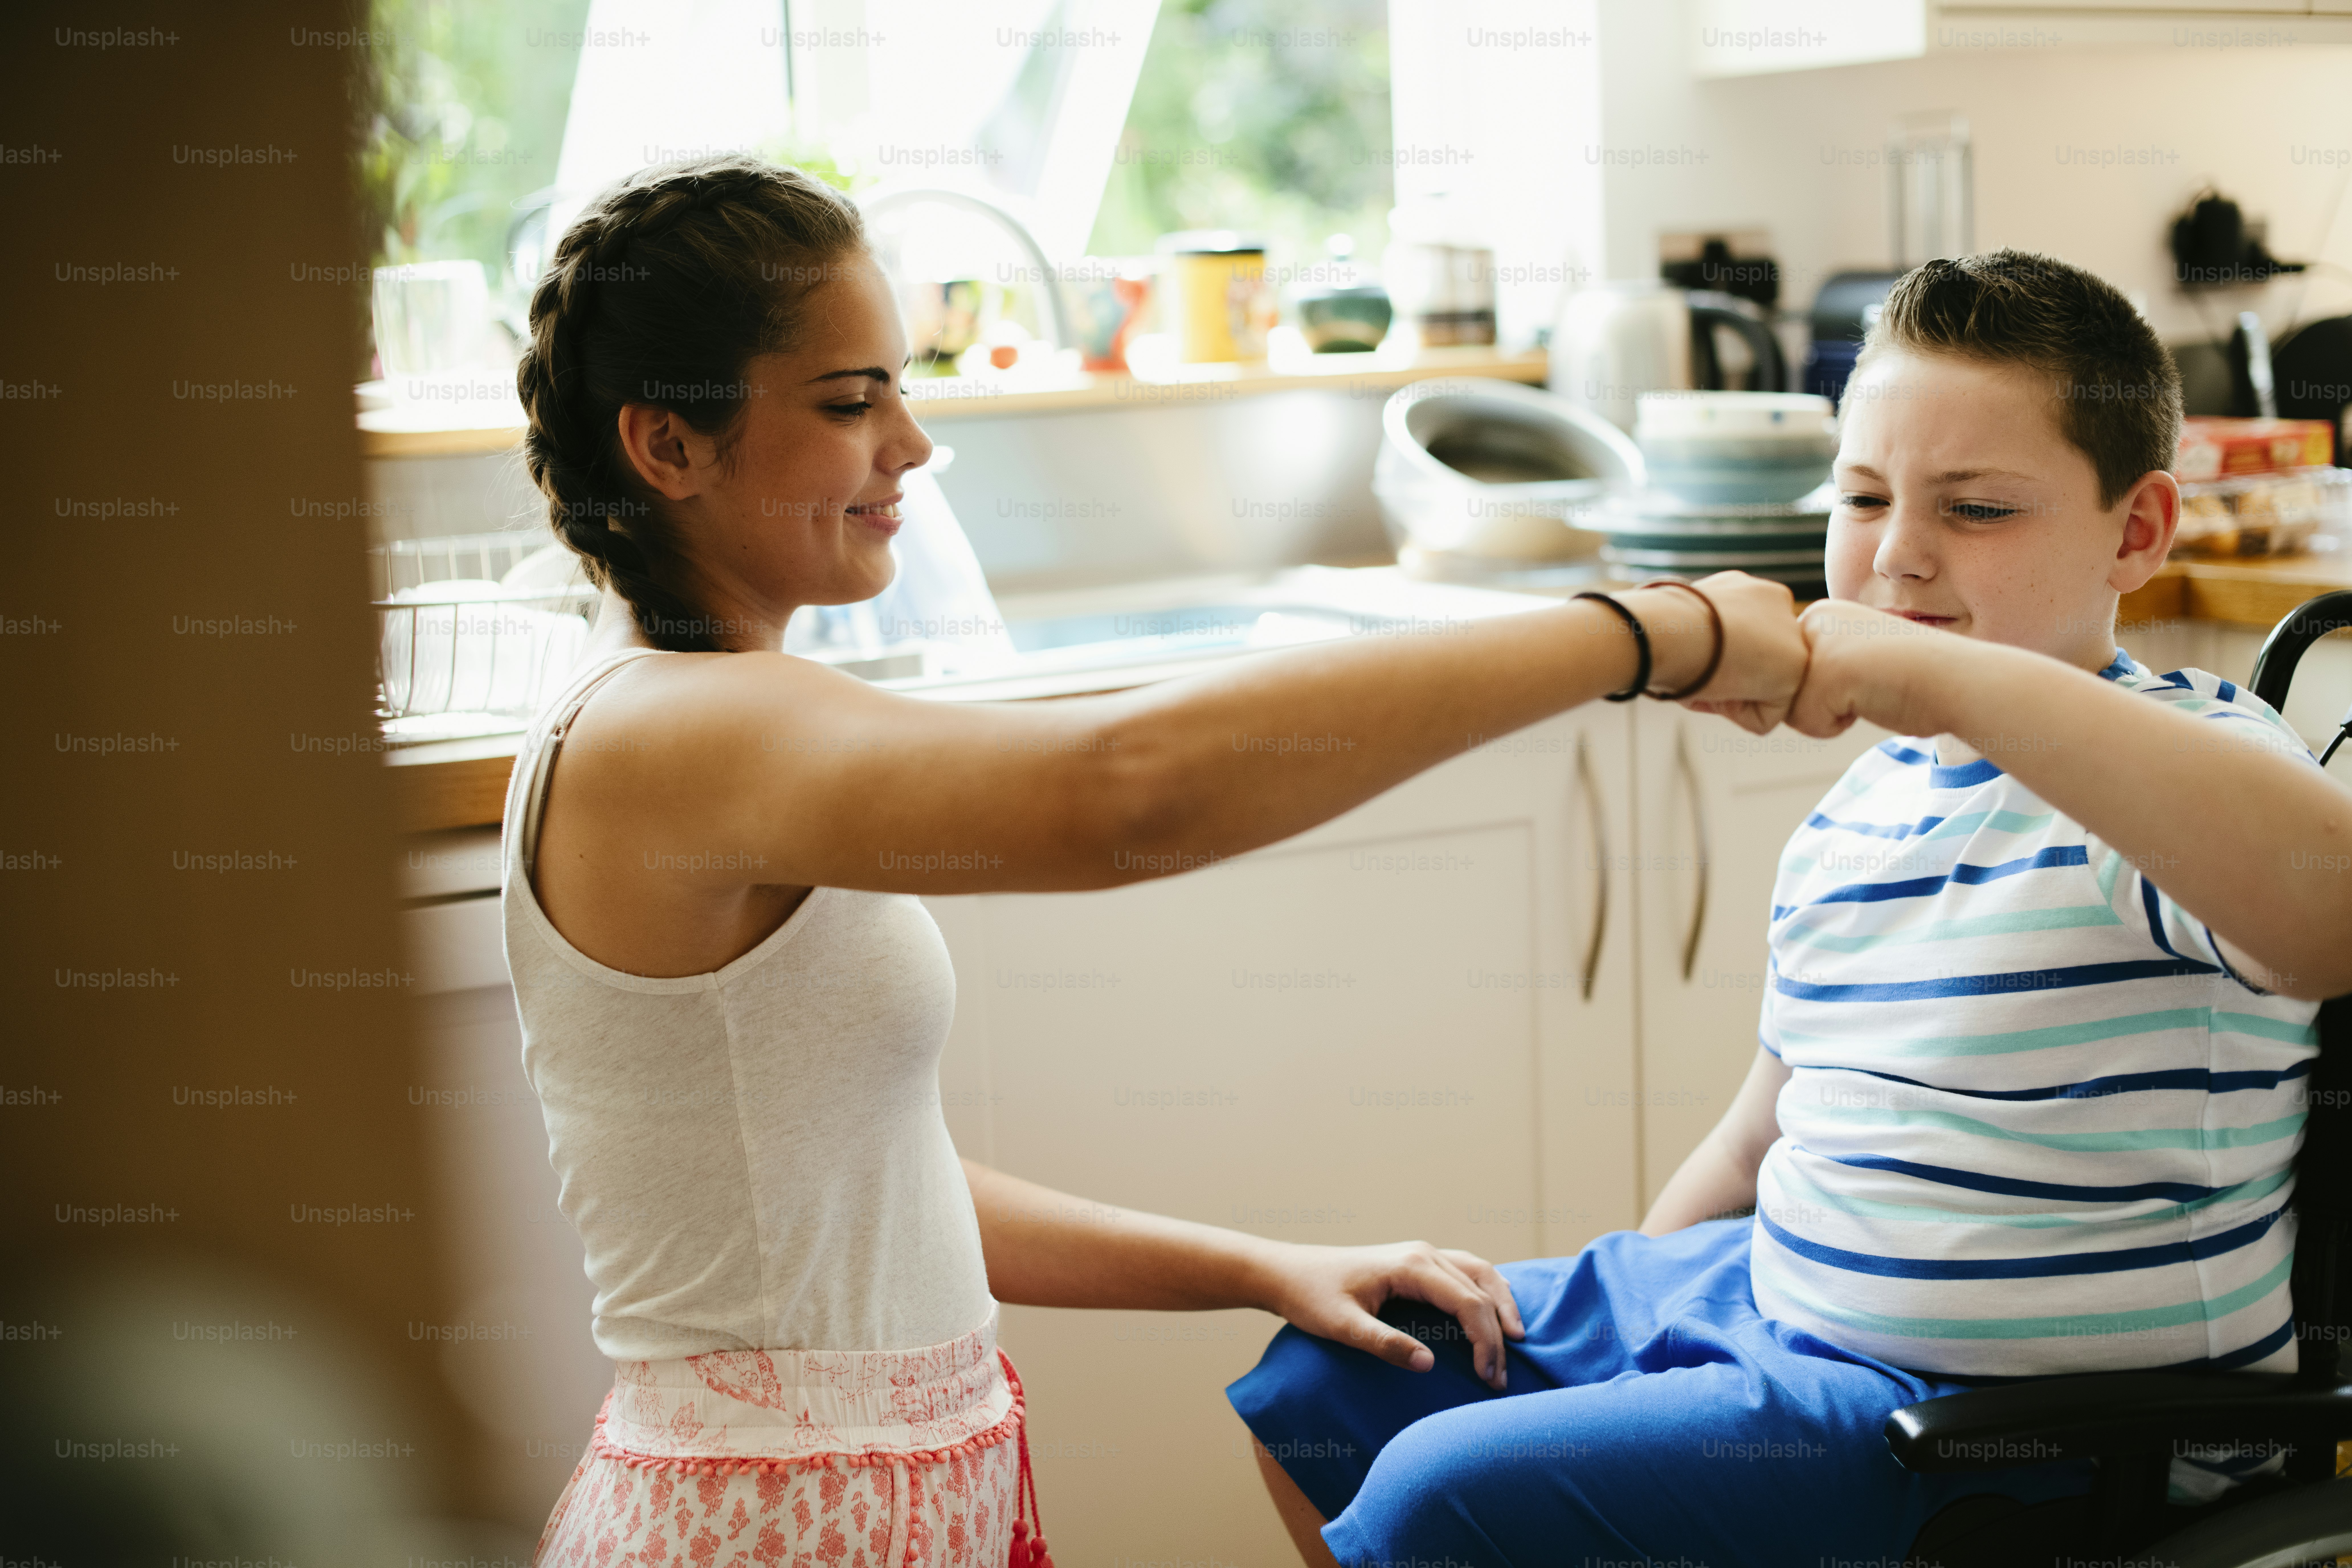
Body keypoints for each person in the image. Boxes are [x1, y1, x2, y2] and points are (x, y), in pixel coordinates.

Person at [502, 155, 1809, 1565]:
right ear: (668, 446)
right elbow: (1125, 792)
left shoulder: (705, 708)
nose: (914, 443)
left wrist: (1262, 1265)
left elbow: (874, 1184)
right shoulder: (672, 731)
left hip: (876, 1485)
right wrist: (1642, 632)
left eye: (899, 383)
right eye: (849, 401)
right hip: (763, 1522)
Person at [1232, 249, 2352, 1568]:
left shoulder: (2172, 774)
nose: (1898, 554)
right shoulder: (1862, 809)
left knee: (1440, 1495)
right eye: (1864, 496)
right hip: (1762, 1300)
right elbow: (1760, 1135)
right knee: (1329, 1377)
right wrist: (1621, 1337)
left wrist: (1950, 682)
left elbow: (2326, 911)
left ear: (2140, 531)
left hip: (2001, 1429)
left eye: (1978, 508)